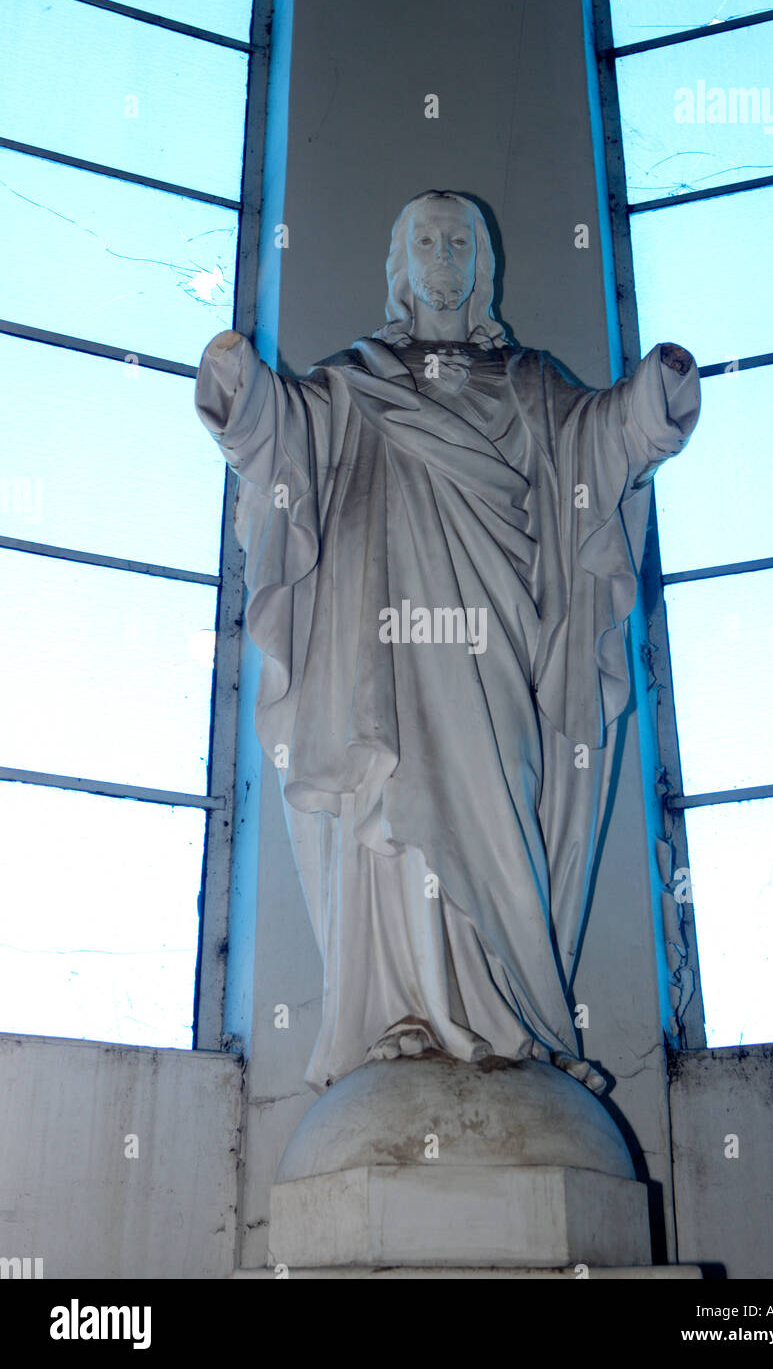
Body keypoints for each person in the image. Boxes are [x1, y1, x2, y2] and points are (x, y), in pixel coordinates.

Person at [195, 190, 700, 1094]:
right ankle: (400, 1013)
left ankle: (507, 1012)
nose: (442, 255)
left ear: (482, 263)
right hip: (383, 645)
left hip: (493, 638)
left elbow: (595, 446)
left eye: (459, 240)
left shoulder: (531, 380)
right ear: (399, 263)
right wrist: (243, 397)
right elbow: (288, 443)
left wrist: (649, 408)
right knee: (390, 793)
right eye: (425, 240)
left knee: (503, 783)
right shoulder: (354, 380)